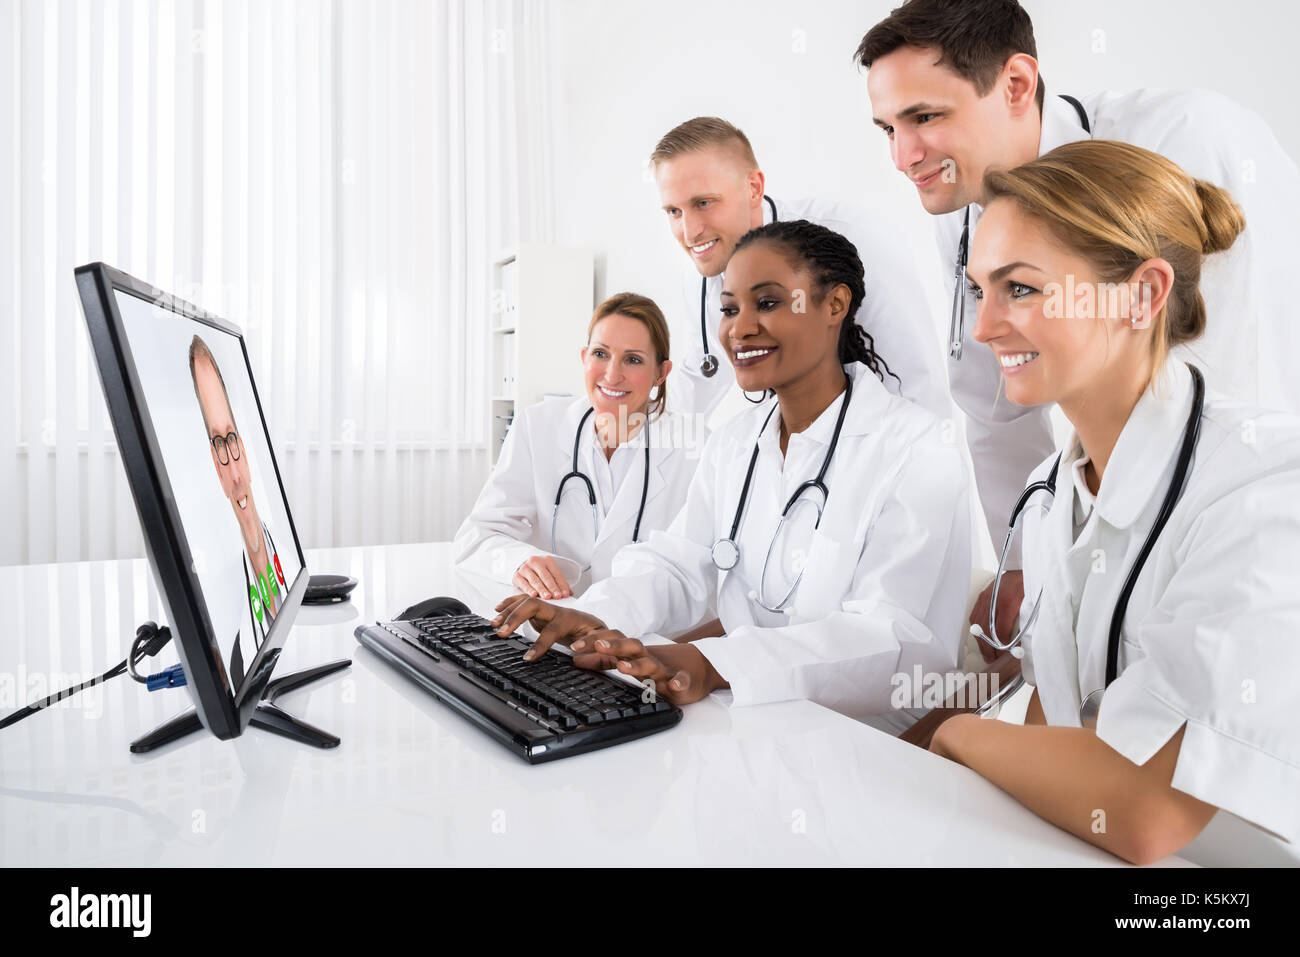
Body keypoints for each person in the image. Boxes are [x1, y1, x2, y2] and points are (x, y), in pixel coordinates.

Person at [858, 0, 1300, 645]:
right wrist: (1022, 561)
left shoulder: (1188, 138)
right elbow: (991, 405)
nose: (904, 156)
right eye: (887, 129)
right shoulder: (964, 204)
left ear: (1016, 85)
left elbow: (1235, 389)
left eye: (924, 117)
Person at [929, 140, 1300, 865]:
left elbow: (1144, 810)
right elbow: (1063, 700)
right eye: (980, 289)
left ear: (1143, 293)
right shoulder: (1056, 491)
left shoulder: (1267, 485)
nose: (983, 327)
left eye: (1022, 288)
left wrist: (958, 732)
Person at [493, 220, 971, 735]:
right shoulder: (735, 440)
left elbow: (888, 638)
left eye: (766, 303)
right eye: (728, 308)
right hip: (743, 715)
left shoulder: (917, 448)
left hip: (864, 737)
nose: (739, 329)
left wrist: (715, 663)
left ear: (834, 305)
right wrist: (596, 615)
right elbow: (681, 564)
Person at [650, 116, 949, 425]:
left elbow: (917, 387)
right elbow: (701, 375)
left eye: (703, 203)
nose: (690, 232)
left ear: (753, 188)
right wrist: (619, 426)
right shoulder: (703, 271)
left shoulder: (854, 240)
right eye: (674, 211)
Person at [454, 293, 702, 600]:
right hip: (556, 625)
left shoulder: (698, 448)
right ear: (584, 357)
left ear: (661, 373)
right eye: (601, 354)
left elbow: (702, 573)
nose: (612, 374)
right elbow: (477, 538)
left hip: (650, 638)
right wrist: (518, 562)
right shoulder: (538, 426)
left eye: (633, 359)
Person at [189, 335, 287, 688]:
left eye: (230, 439)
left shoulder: (283, 557)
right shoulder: (232, 634)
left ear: (243, 446)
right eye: (218, 446)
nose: (233, 472)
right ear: (213, 463)